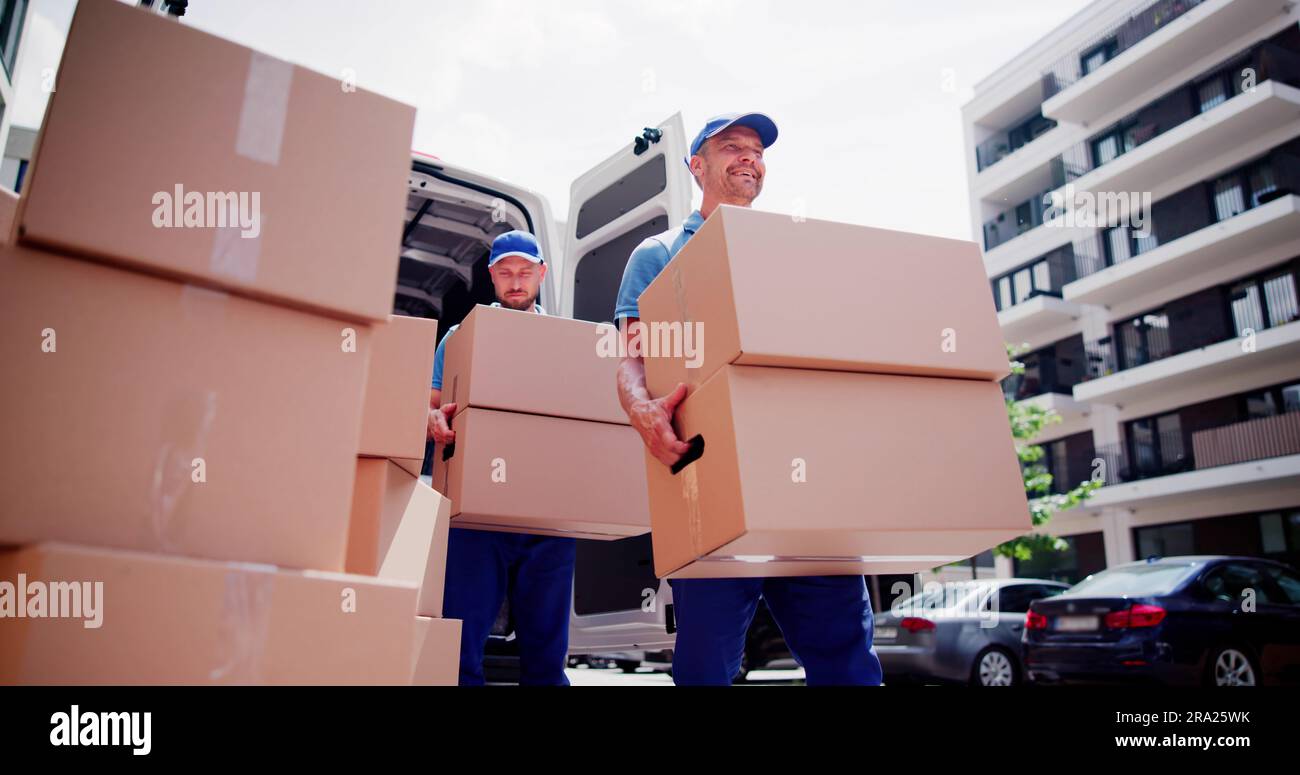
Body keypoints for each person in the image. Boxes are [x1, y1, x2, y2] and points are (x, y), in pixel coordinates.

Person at [613, 113, 883, 686]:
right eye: (731, 147)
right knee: (707, 667)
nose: (747, 157)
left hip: (809, 493)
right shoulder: (658, 254)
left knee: (849, 663)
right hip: (712, 485)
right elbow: (632, 357)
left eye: (756, 151)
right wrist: (640, 408)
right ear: (697, 166)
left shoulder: (792, 250)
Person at [429, 230, 576, 686]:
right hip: (476, 515)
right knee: (460, 646)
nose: (516, 282)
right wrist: (432, 420)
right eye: (506, 273)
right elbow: (430, 402)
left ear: (541, 275)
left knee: (547, 656)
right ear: (492, 276)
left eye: (525, 273)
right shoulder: (461, 336)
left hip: (548, 516)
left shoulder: (567, 339)